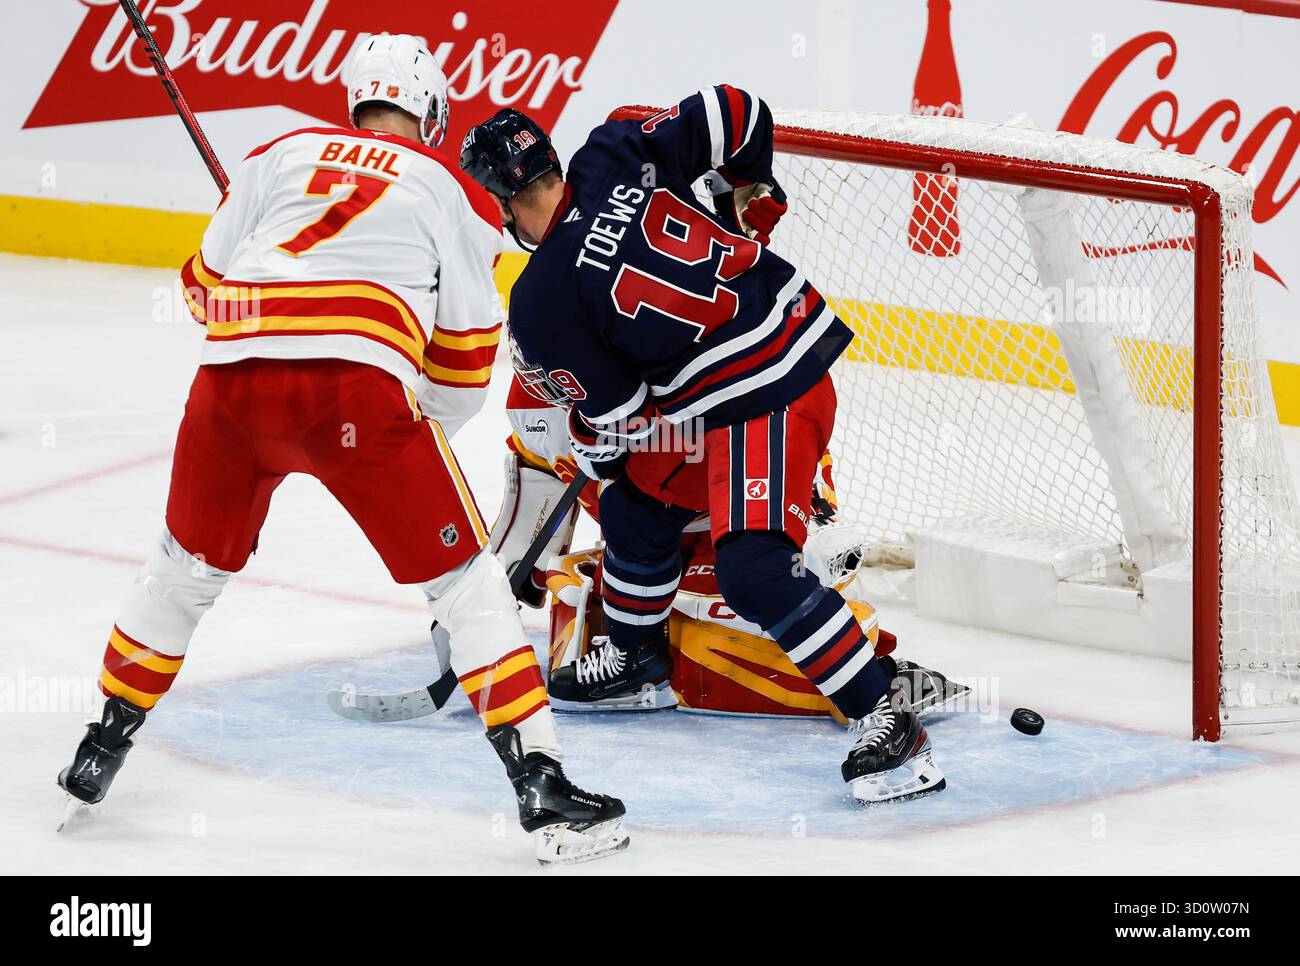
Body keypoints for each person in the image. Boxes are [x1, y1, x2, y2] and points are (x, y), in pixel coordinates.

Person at [56, 34, 627, 865]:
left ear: (355, 102)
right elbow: (468, 358)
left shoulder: (275, 154)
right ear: (427, 111)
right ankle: (540, 787)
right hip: (357, 397)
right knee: (465, 585)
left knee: (181, 568)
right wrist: (399, 415)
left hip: (230, 390)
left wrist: (271, 287)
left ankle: (100, 747)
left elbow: (198, 288)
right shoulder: (442, 190)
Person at [460, 88, 945, 803]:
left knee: (753, 568)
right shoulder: (613, 148)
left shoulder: (539, 300)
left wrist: (591, 443)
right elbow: (736, 110)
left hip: (765, 396)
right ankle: (635, 658)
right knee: (635, 506)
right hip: (768, 355)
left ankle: (888, 720)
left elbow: (622, 420)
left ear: (502, 205)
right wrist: (751, 186)